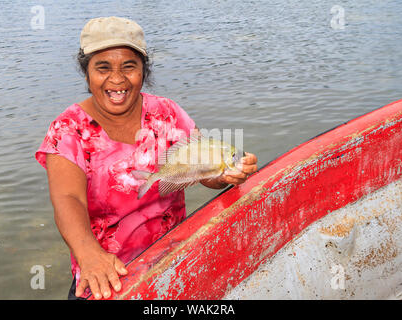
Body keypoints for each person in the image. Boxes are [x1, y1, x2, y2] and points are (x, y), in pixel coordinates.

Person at [35, 16, 258, 300]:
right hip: (107, 271)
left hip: (172, 260)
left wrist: (226, 176)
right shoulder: (68, 129)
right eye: (102, 68)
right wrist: (90, 255)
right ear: (87, 72)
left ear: (143, 70)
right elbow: (69, 199)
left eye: (129, 67)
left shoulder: (168, 113)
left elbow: (204, 173)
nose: (117, 79)